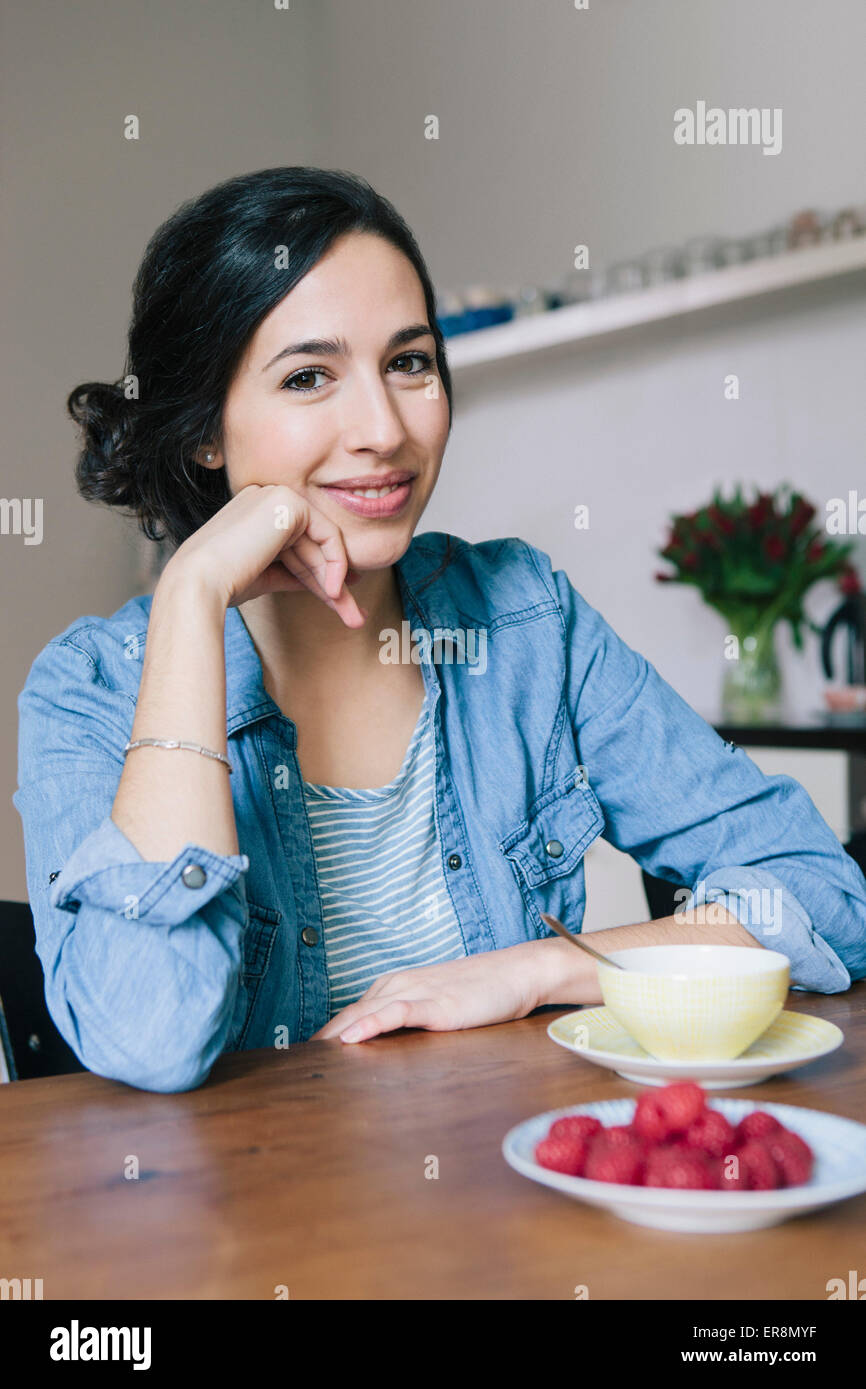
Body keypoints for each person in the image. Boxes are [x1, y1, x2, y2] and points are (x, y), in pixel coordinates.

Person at [13, 167, 866, 1093]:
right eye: (309, 377)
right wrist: (190, 597)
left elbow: (825, 890)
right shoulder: (88, 691)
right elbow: (151, 1037)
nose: (383, 427)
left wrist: (541, 971)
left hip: (500, 1192)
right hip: (249, 1225)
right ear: (203, 432)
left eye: (409, 362)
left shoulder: (526, 618)